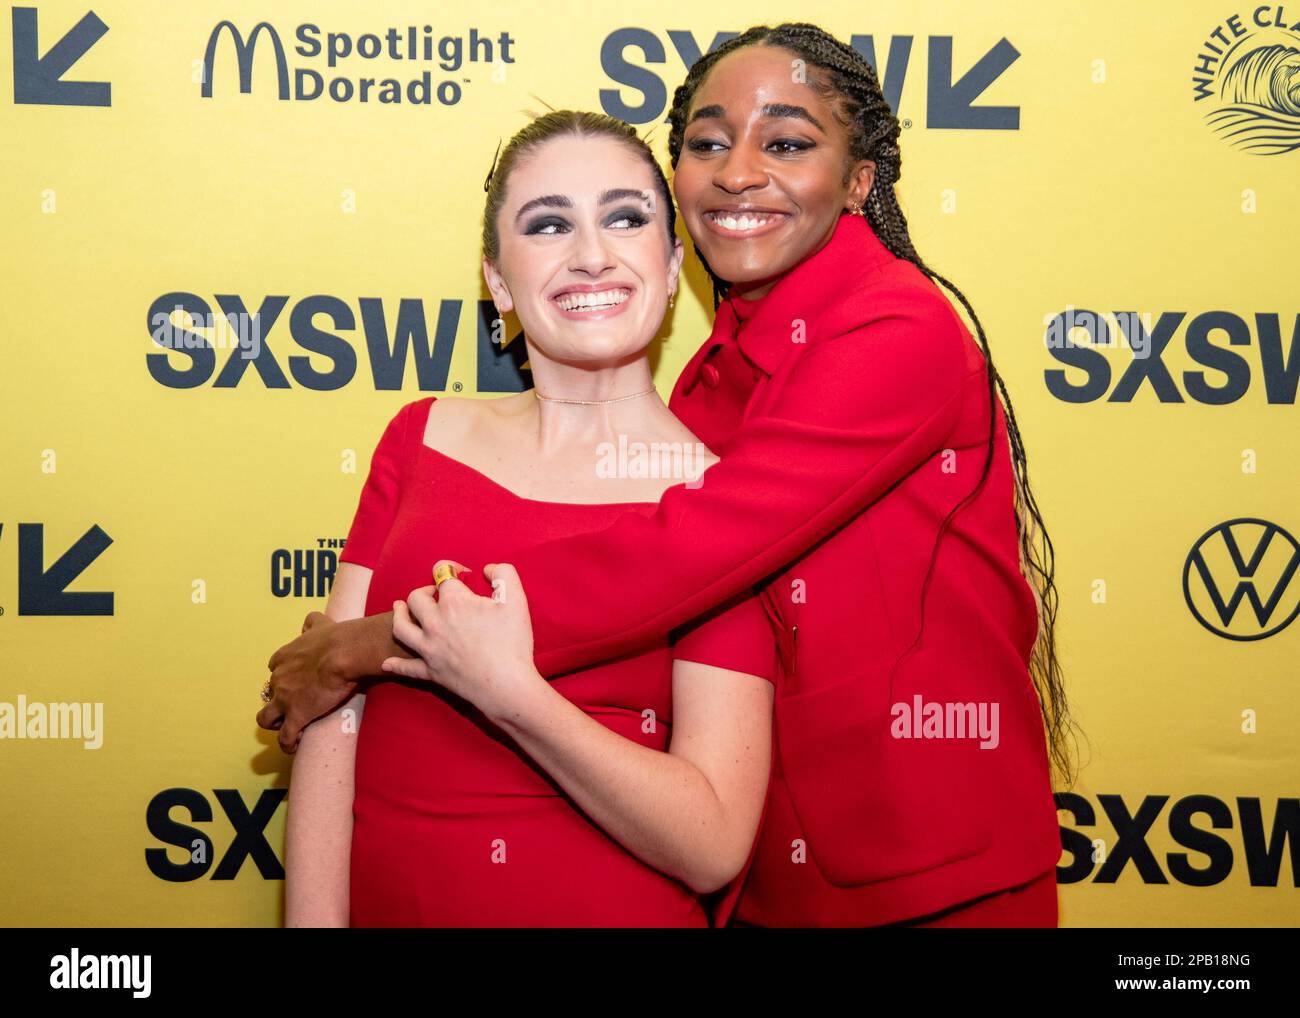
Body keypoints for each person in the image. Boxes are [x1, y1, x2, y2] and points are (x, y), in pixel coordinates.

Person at [263, 23, 1079, 927]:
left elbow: (686, 553)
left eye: (788, 142)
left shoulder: (897, 331)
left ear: (859, 182)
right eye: (706, 143)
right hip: (778, 880)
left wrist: (368, 643)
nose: (737, 171)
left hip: (929, 869)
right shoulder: (707, 386)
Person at [281, 111, 777, 926]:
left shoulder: (722, 499)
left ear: (675, 260)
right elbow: (333, 713)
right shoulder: (420, 438)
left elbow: (715, 838)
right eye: (549, 224)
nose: (591, 253)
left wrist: (513, 694)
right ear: (500, 283)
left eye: (626, 218)